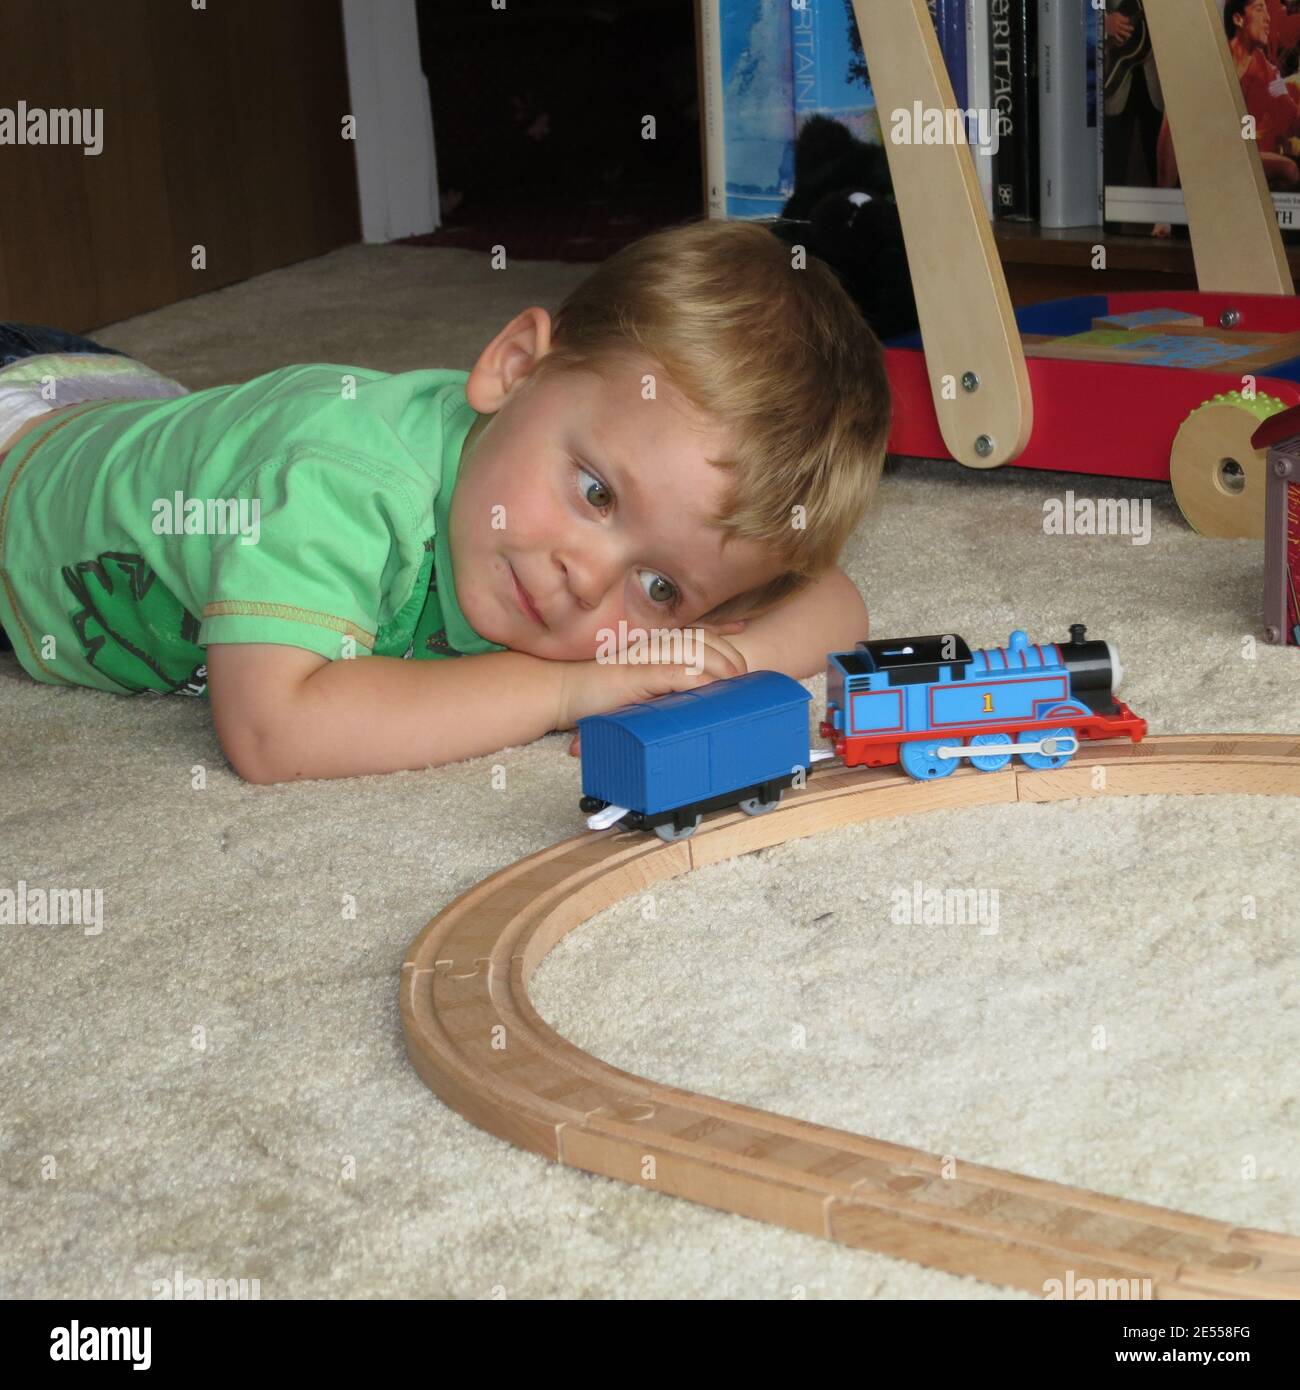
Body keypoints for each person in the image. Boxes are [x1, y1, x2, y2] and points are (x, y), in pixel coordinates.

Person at [0, 219, 890, 782]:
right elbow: (272, 731)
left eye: (661, 588)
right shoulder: (343, 484)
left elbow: (832, 603)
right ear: (513, 369)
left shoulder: (542, 499)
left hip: (125, 409)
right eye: (594, 492)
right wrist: (571, 690)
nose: (586, 580)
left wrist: (688, 667)